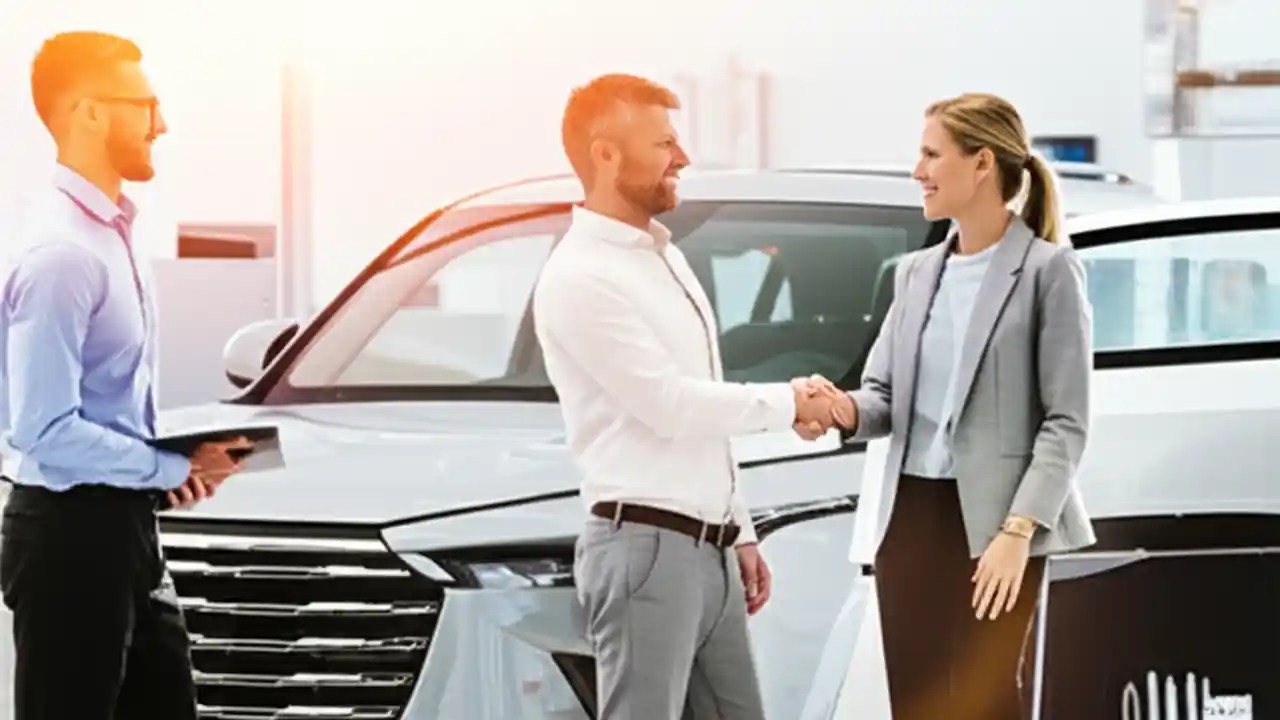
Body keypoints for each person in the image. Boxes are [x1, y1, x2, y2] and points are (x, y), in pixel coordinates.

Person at [533, 73, 837, 719]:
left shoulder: (663, 256)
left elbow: (701, 404)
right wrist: (792, 401)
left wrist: (740, 529)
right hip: (646, 551)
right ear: (605, 154)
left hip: (709, 547)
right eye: (664, 142)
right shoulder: (581, 277)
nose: (683, 158)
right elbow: (669, 405)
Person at [815, 92, 1097, 719]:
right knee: (916, 704)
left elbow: (1066, 421)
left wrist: (1017, 532)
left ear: (982, 164)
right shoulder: (915, 273)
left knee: (989, 703)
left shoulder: (1049, 272)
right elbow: (885, 396)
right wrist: (842, 410)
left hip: (996, 528)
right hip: (909, 519)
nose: (918, 170)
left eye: (930, 154)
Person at [0, 31, 248, 720]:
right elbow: (41, 429)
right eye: (145, 104)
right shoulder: (62, 254)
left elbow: (100, 407)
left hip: (123, 531)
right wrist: (165, 469)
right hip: (69, 540)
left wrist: (175, 464)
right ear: (87, 112)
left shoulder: (110, 237)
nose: (160, 123)